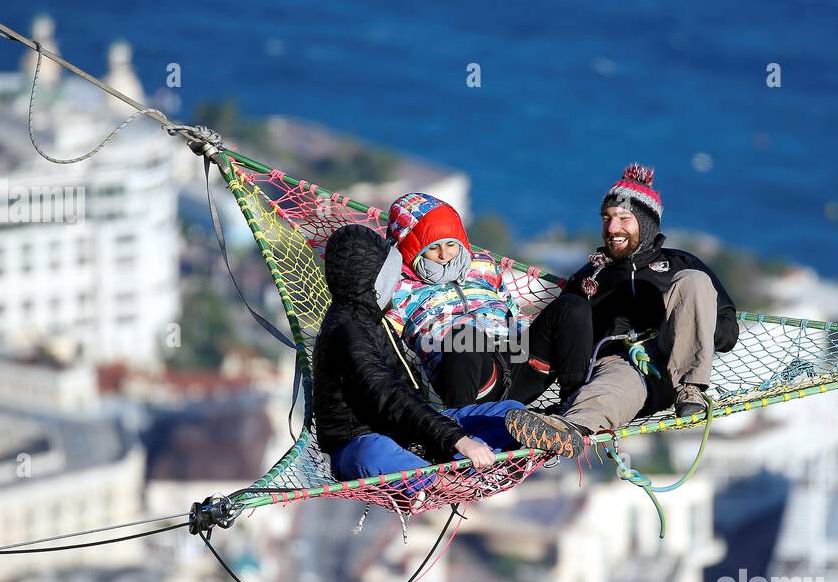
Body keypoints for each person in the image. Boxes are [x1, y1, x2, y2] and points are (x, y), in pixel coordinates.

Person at [507, 164, 739, 457]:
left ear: (645, 223)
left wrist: (687, 321)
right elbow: (563, 335)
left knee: (694, 281)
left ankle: (691, 390)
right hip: (621, 368)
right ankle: (567, 429)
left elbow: (729, 333)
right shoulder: (591, 275)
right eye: (606, 218)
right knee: (609, 390)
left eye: (624, 219)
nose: (612, 228)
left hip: (675, 359)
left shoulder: (681, 263)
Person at [312, 224, 553, 494]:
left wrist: (447, 434)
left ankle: (535, 438)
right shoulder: (349, 333)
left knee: (507, 411)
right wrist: (457, 439)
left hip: (409, 435)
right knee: (372, 452)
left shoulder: (373, 320)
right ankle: (447, 482)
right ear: (375, 283)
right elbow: (389, 396)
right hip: (359, 443)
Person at [385, 192, 591, 408]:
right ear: (413, 249)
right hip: (473, 382)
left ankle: (574, 405)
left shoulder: (483, 265)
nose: (445, 255)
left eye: (450, 244)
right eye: (433, 248)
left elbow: (511, 309)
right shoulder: (398, 288)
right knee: (463, 336)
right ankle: (463, 428)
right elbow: (388, 346)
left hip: (520, 361)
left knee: (573, 305)